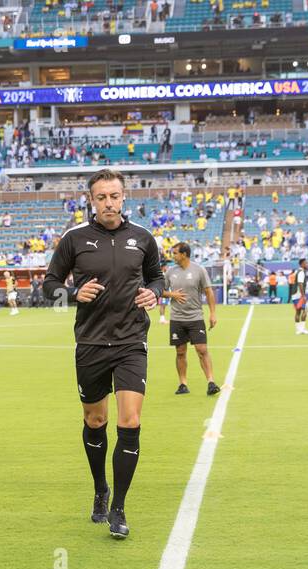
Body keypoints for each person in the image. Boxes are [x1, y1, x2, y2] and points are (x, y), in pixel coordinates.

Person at [41, 168, 164, 540]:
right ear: (91, 200)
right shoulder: (74, 239)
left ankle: (119, 508)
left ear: (123, 197)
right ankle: (100, 488)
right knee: (96, 422)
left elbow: (156, 276)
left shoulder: (142, 238)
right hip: (91, 344)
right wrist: (75, 294)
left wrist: (154, 293)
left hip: (130, 343)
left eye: (114, 196)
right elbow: (49, 286)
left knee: (130, 422)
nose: (108, 203)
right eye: (101, 197)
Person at [161, 242, 219, 396]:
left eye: (175, 253)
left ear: (184, 254)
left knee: (202, 349)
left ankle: (211, 382)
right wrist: (172, 295)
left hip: (195, 317)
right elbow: (160, 290)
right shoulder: (170, 272)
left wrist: (213, 313)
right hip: (177, 318)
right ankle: (183, 384)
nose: (172, 256)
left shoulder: (199, 270)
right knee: (180, 352)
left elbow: (209, 292)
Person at [292, 258, 308, 335]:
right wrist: (303, 296)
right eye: (306, 263)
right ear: (302, 264)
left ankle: (299, 330)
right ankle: (302, 329)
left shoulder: (298, 271)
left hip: (295, 295)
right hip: (298, 295)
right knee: (305, 310)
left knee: (298, 312)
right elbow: (300, 284)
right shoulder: (301, 272)